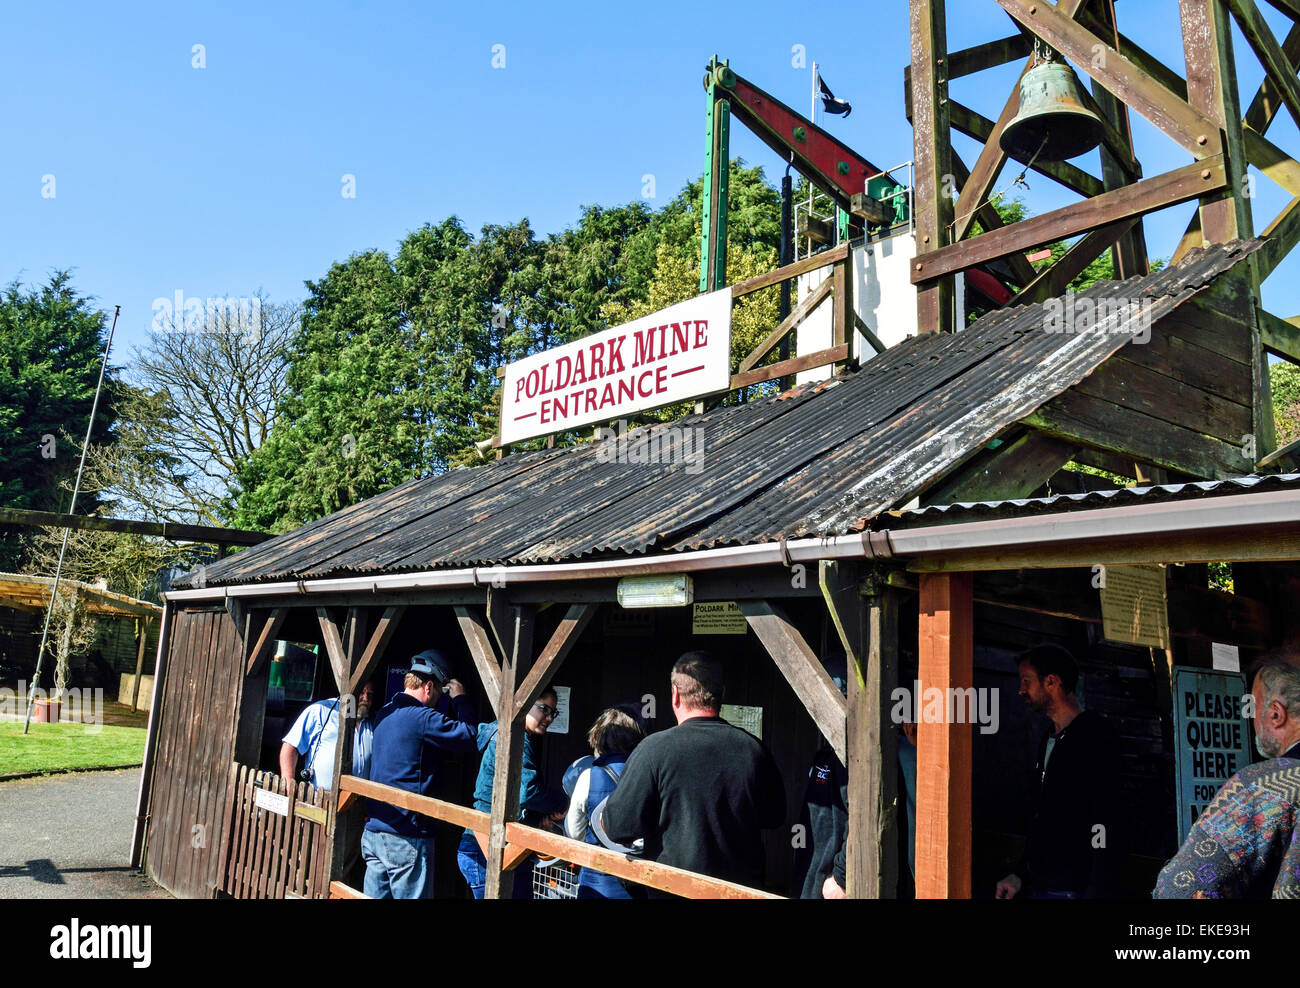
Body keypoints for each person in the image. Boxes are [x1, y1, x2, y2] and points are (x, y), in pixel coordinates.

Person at [601, 651, 787, 892]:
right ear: (722, 694)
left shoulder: (653, 749)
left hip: (674, 890)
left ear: (675, 695)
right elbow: (775, 817)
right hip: (740, 892)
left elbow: (618, 827)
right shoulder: (754, 750)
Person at [1154, 651, 1300, 898]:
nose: (1250, 716)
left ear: (1276, 713)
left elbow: (1179, 888)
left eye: (1252, 706)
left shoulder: (1261, 787)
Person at [995, 643, 1122, 900]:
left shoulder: (1094, 736)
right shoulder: (1048, 740)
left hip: (1074, 890)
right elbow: (1043, 818)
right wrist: (1020, 874)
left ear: (1051, 682)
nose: (1021, 690)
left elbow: (1106, 817)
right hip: (1043, 887)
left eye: (1027, 681)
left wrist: (1096, 888)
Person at [361, 649, 477, 899]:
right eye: (438, 694)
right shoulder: (422, 717)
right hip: (406, 836)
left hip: (374, 832)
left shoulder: (384, 713)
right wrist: (460, 699)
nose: (437, 701)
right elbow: (468, 735)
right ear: (427, 687)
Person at [457, 687, 568, 898]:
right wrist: (561, 803)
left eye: (553, 713)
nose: (549, 717)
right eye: (544, 709)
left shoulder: (511, 736)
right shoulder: (511, 738)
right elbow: (528, 792)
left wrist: (538, 819)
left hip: (490, 845)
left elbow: (515, 797)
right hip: (486, 847)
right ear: (525, 705)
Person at [565, 704, 646, 899]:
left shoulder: (588, 776)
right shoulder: (648, 775)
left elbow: (574, 832)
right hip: (639, 883)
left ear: (598, 739)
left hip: (596, 884)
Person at [793, 655, 849, 899]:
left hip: (830, 886)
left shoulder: (852, 758)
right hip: (810, 877)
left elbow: (864, 818)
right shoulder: (825, 755)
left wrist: (841, 877)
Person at [279, 677, 378, 790]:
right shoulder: (321, 711)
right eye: (361, 693)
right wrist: (288, 781)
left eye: (369, 695)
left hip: (356, 802)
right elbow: (290, 747)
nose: (365, 699)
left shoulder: (373, 722)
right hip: (318, 797)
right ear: (349, 691)